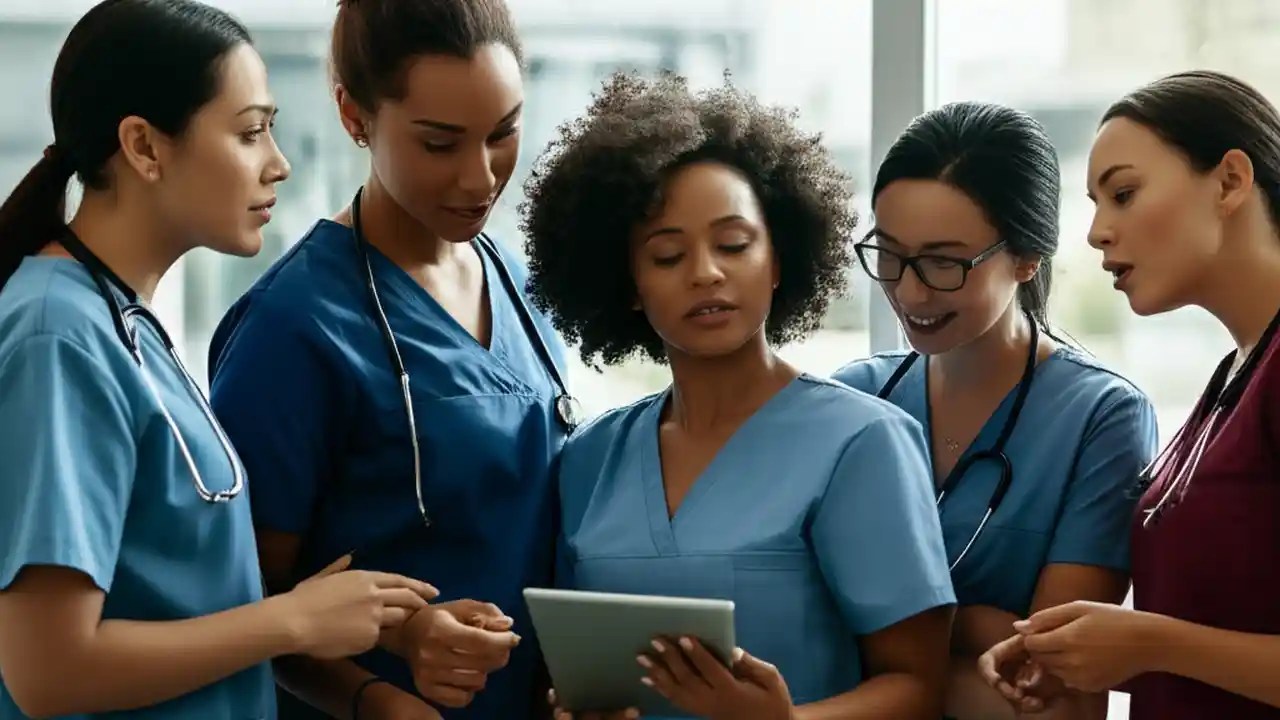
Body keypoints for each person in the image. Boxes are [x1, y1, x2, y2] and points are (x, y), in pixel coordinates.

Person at [0, 1, 438, 718]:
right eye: (250, 132)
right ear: (144, 146)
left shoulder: (121, 322)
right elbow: (48, 670)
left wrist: (341, 618)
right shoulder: (59, 335)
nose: (279, 163)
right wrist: (289, 621)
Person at [521, 70, 957, 720]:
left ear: (777, 260)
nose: (706, 273)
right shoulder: (588, 457)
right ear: (629, 284)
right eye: (667, 256)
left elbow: (919, 689)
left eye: (733, 244)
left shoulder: (862, 443)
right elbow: (572, 668)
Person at [206, 1, 567, 718]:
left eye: (503, 133)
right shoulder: (293, 327)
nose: (480, 178)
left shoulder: (523, 287)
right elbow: (237, 607)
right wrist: (372, 698)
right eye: (440, 144)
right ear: (354, 115)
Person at [831, 101, 1159, 720]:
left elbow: (1057, 693)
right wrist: (977, 626)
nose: (909, 290)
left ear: (1027, 257)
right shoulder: (854, 399)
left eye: (944, 262)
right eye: (890, 255)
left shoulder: (1100, 417)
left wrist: (891, 624)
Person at [980, 70, 1280, 720]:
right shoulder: (1233, 376)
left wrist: (1148, 644)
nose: (1096, 232)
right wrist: (1096, 657)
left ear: (1230, 181)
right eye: (1095, 203)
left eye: (1123, 194)